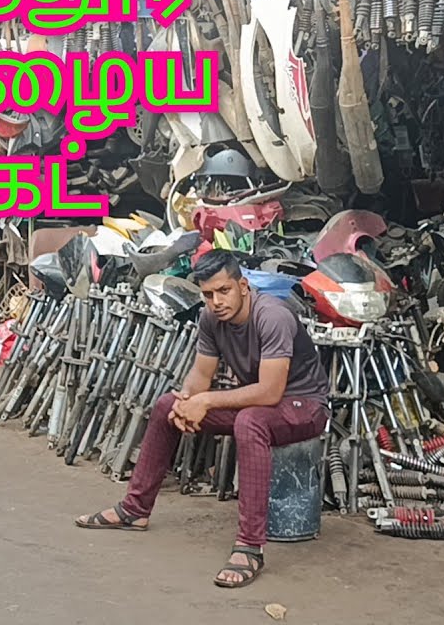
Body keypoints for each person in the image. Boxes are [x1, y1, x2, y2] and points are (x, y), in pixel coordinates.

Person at [75, 249, 330, 589]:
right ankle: (134, 509)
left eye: (223, 291)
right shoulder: (210, 318)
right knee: (167, 405)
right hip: (260, 405)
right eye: (208, 295)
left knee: (249, 421)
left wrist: (207, 401)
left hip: (304, 406)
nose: (216, 302)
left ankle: (250, 547)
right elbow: (201, 374)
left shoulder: (273, 316)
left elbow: (270, 392)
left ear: (242, 286)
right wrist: (187, 402)